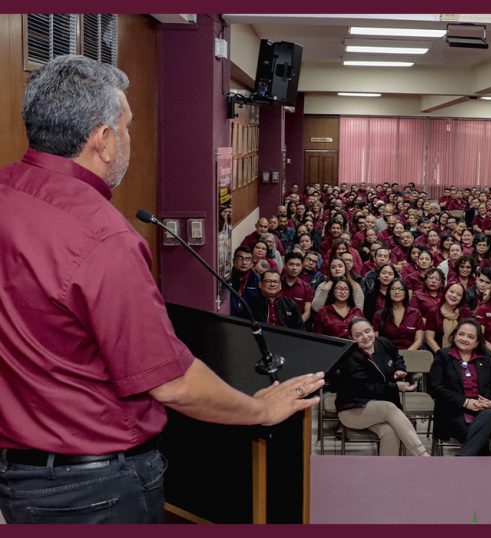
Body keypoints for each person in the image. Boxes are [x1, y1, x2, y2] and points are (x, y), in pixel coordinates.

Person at [0, 55, 323, 524]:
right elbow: (171, 383)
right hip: (95, 491)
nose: (129, 138)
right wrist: (258, 408)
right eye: (127, 126)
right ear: (104, 140)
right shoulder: (103, 237)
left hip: (18, 477)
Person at [334, 318, 429, 457]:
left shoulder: (382, 342)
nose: (365, 337)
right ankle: (422, 455)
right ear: (351, 337)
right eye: (358, 335)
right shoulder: (349, 358)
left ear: (373, 329)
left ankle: (386, 472)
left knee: (389, 431)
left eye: (367, 331)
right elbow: (366, 388)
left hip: (380, 409)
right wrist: (395, 387)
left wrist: (399, 369)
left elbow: (397, 357)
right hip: (353, 409)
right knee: (388, 407)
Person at [428, 319, 491, 456]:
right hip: (453, 413)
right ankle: (468, 461)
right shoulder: (443, 356)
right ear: (455, 335)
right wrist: (466, 402)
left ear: (477, 342)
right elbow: (434, 388)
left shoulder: (486, 358)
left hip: (483, 412)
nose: (464, 339)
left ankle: (462, 460)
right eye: (461, 334)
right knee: (480, 436)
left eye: (470, 337)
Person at [373, 278, 425, 351]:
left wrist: (406, 354)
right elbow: (376, 340)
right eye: (393, 289)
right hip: (387, 354)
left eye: (400, 289)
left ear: (405, 292)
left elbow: (418, 341)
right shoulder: (379, 314)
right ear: (388, 292)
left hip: (410, 353)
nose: (397, 292)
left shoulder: (415, 313)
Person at [424, 283, 472, 353]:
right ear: (445, 292)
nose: (454, 296)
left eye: (459, 294)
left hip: (461, 353)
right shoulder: (434, 311)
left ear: (462, 298)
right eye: (451, 292)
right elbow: (429, 338)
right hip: (437, 353)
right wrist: (442, 355)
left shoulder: (466, 313)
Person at [229, 246, 260, 318]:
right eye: (240, 259)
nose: (244, 262)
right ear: (234, 261)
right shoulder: (227, 278)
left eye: (247, 259)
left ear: (252, 263)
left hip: (250, 320)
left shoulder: (257, 280)